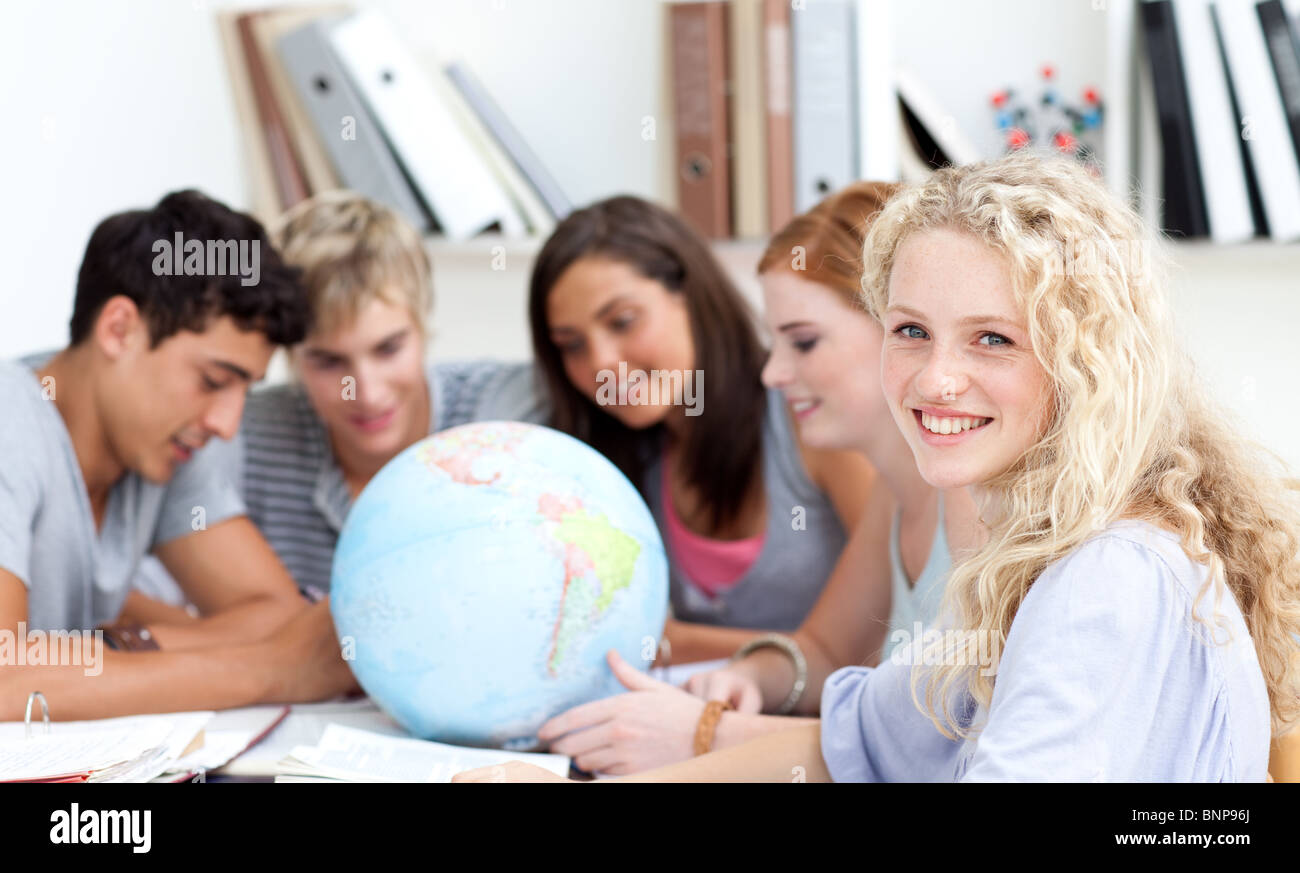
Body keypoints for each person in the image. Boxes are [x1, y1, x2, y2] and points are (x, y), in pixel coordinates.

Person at [457, 153, 1300, 782]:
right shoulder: (1027, 557)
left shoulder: (1109, 574)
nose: (935, 378)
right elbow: (855, 740)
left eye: (993, 338)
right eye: (909, 331)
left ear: (1091, 362)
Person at [529, 182, 985, 775]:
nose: (772, 373)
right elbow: (824, 650)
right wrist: (749, 675)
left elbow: (931, 744)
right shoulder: (895, 496)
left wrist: (708, 734)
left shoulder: (978, 498)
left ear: (901, 329)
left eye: (803, 342)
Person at [0, 190, 356, 721]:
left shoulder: (165, 443)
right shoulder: (12, 420)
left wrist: (116, 649)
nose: (227, 423)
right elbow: (6, 681)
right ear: (119, 329)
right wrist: (268, 672)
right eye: (214, 380)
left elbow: (273, 616)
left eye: (245, 390)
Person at [129, 190, 546, 603]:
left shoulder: (501, 415)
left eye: (388, 349)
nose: (366, 391)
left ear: (422, 325)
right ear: (288, 355)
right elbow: (139, 586)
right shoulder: (241, 433)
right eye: (328, 362)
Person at [527, 195, 877, 662]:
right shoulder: (628, 459)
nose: (601, 362)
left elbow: (878, 646)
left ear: (690, 297)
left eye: (623, 321)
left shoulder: (812, 415)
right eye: (571, 345)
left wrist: (669, 640)